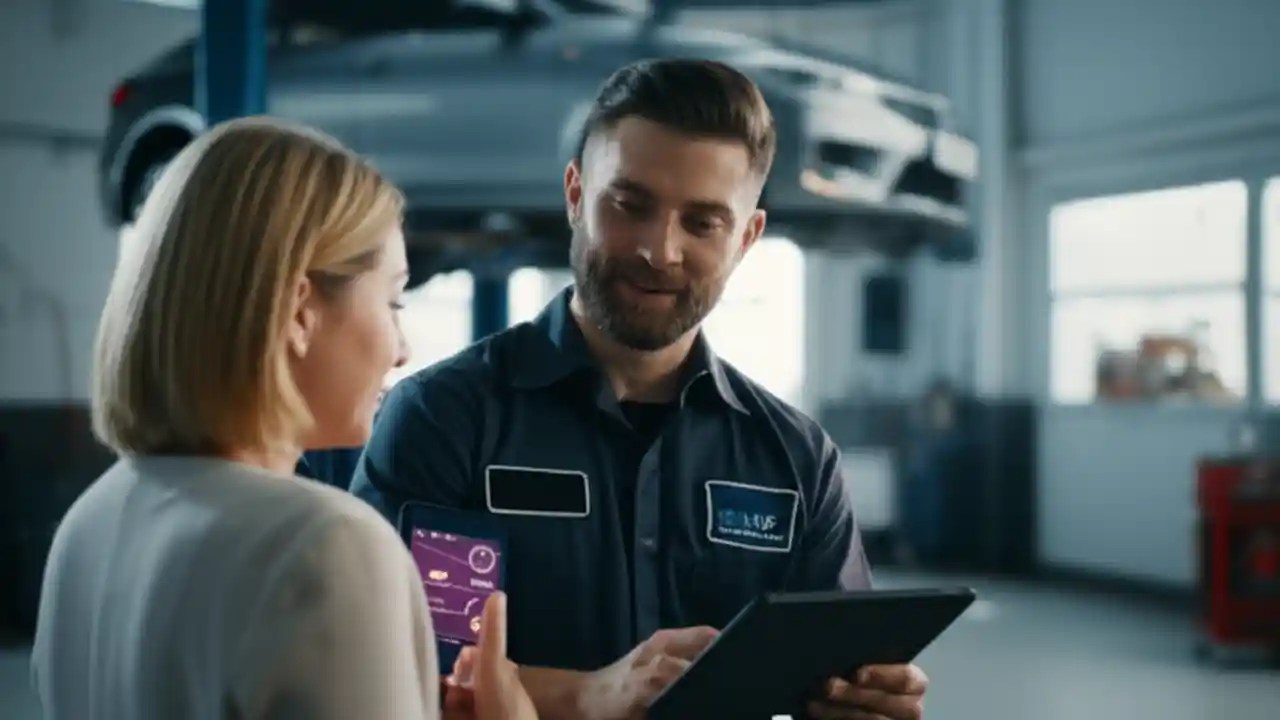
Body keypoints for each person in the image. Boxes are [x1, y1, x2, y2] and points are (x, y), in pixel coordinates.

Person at [350, 59, 929, 720]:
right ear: (575, 195)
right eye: (631, 206)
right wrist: (592, 695)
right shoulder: (448, 422)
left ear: (747, 237)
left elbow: (836, 671)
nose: (660, 250)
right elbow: (399, 671)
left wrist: (865, 697)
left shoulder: (795, 463)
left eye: (703, 223)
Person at [30, 117, 535, 720]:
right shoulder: (326, 545)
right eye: (393, 301)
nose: (402, 349)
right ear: (299, 311)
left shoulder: (90, 523)